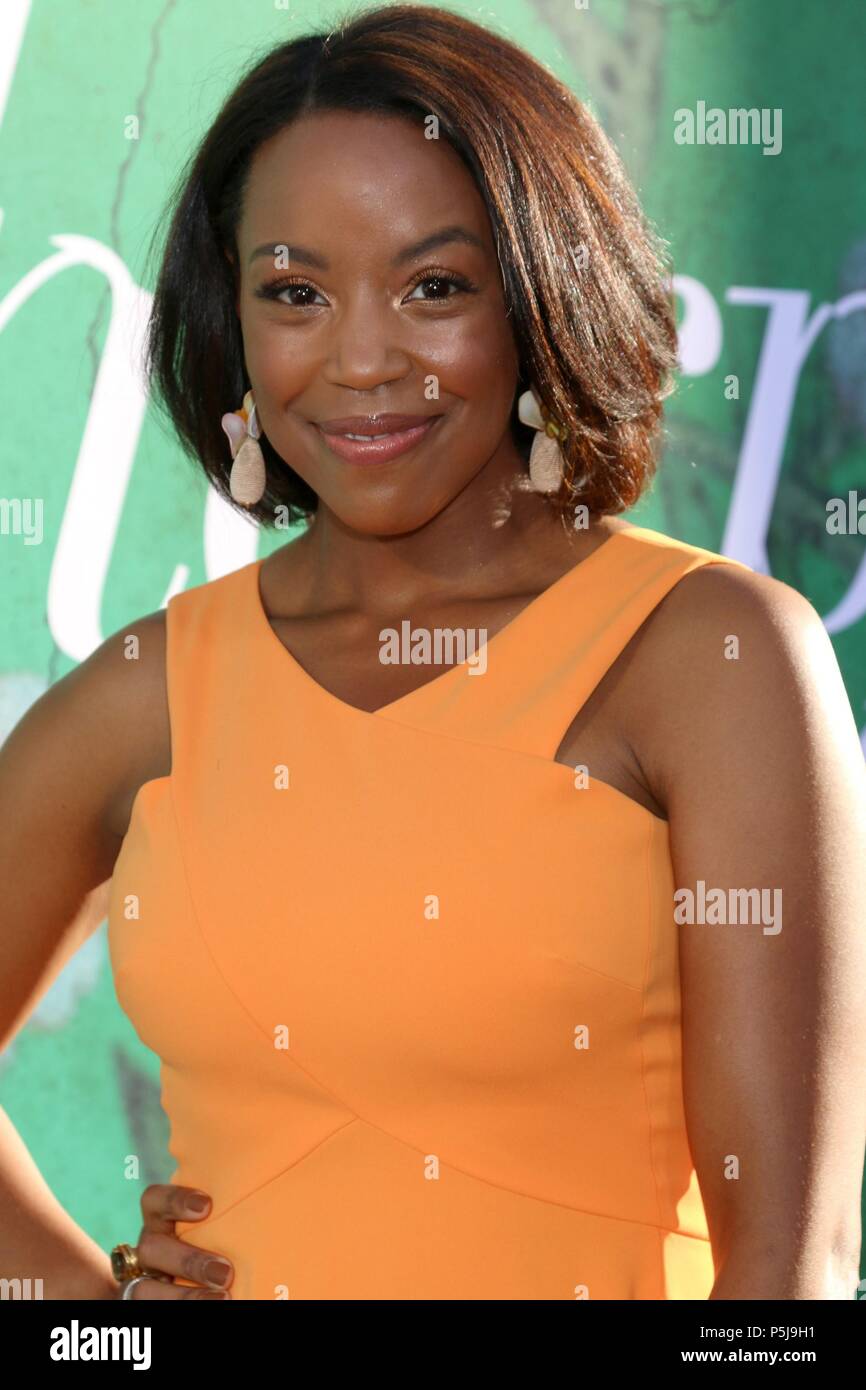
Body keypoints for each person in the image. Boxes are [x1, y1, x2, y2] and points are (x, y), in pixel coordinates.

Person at [1, 3, 865, 1302]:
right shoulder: (150, 692)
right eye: (294, 292)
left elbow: (788, 1272)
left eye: (433, 287)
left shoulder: (709, 654)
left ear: (541, 288)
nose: (359, 358)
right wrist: (90, 1318)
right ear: (229, 321)